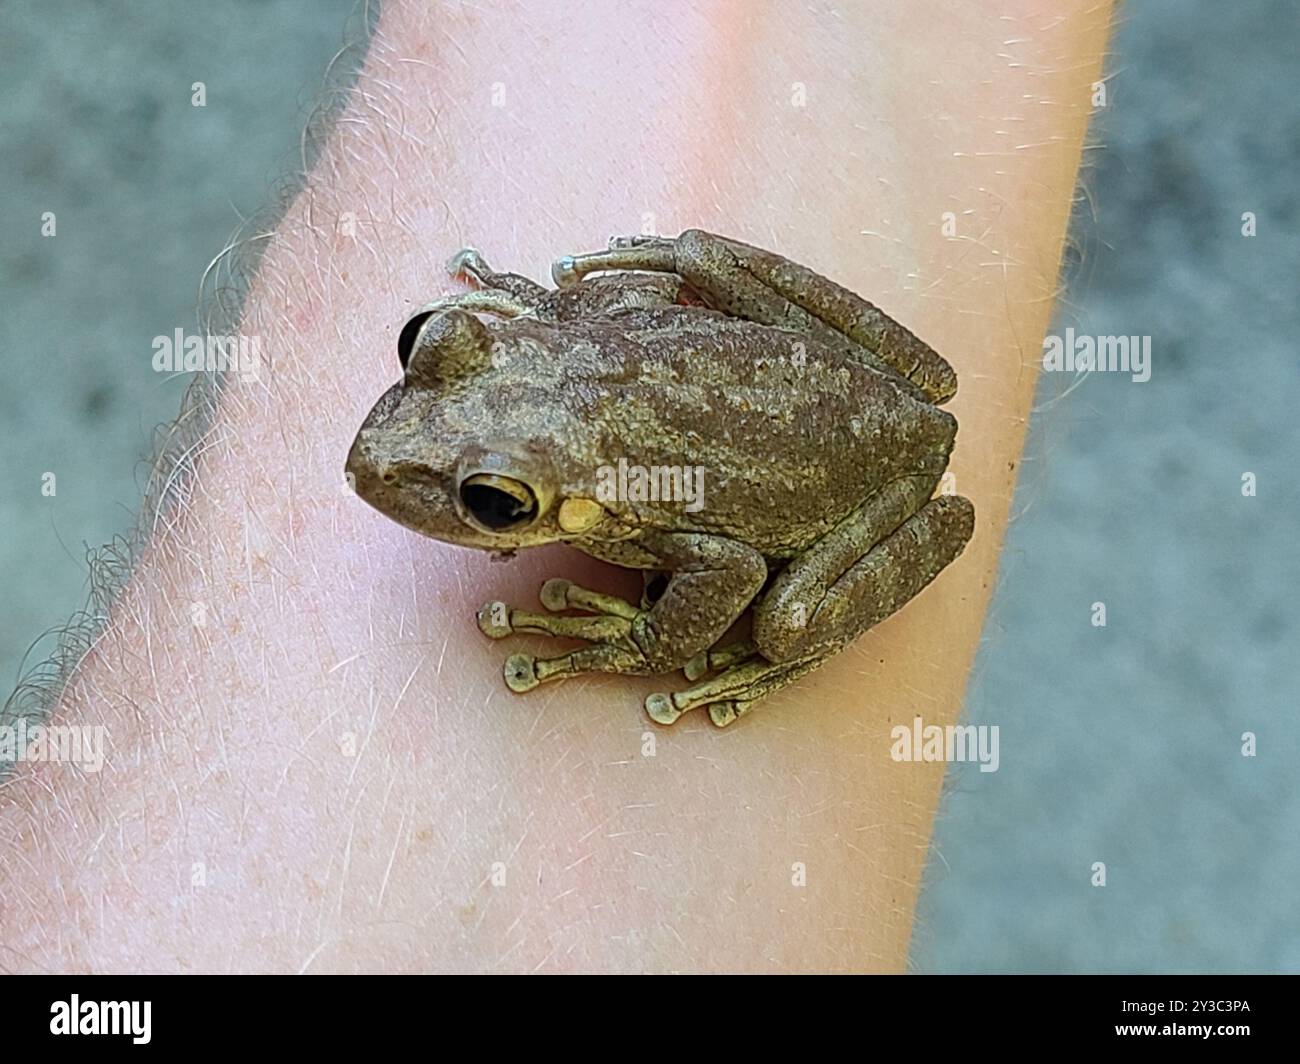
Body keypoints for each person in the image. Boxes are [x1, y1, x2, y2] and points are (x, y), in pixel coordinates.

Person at [0, 0, 1114, 972]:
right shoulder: (559, 344)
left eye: (493, 500)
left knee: (783, 612)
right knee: (700, 260)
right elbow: (617, 319)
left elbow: (723, 559)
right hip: (825, 375)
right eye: (437, 342)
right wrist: (569, 316)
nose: (381, 449)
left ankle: (773, 638)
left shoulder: (641, 499)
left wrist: (648, 641)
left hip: (854, 485)